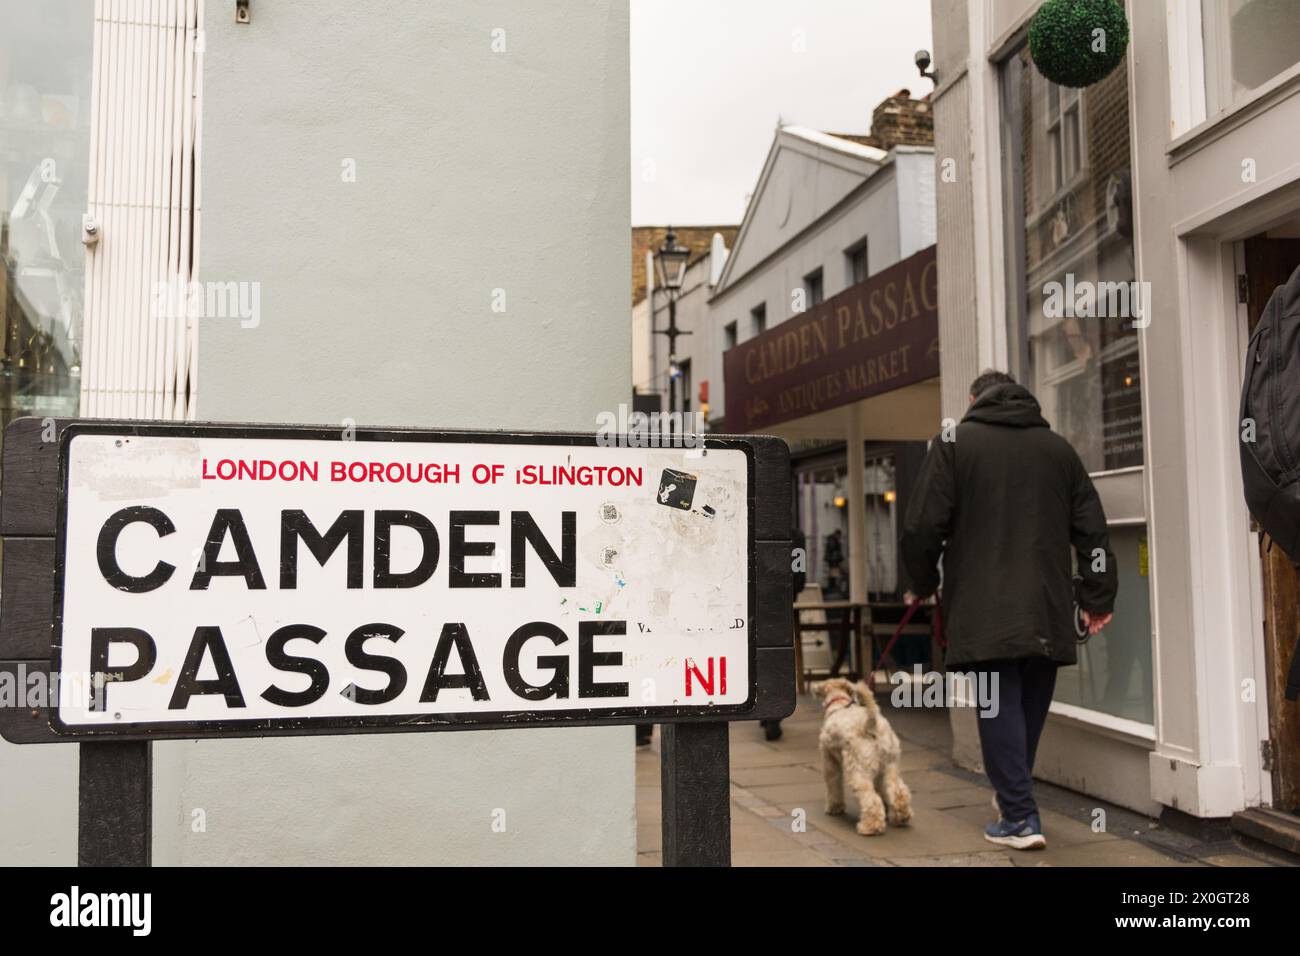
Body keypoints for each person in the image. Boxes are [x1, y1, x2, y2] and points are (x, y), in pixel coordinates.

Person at [900, 370, 1117, 850]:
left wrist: (919, 582)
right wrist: (1098, 597)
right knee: (1027, 708)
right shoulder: (1058, 450)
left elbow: (922, 526)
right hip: (1047, 607)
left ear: (975, 399)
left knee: (999, 706)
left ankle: (1019, 817)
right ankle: (1013, 800)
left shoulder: (955, 443)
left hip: (983, 610)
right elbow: (1093, 530)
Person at [761, 525, 807, 742]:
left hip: (758, 599)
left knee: (760, 657)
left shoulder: (756, 529)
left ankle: (765, 706)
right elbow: (800, 569)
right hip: (783, 600)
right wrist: (794, 591)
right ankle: (773, 713)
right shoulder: (795, 534)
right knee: (779, 657)